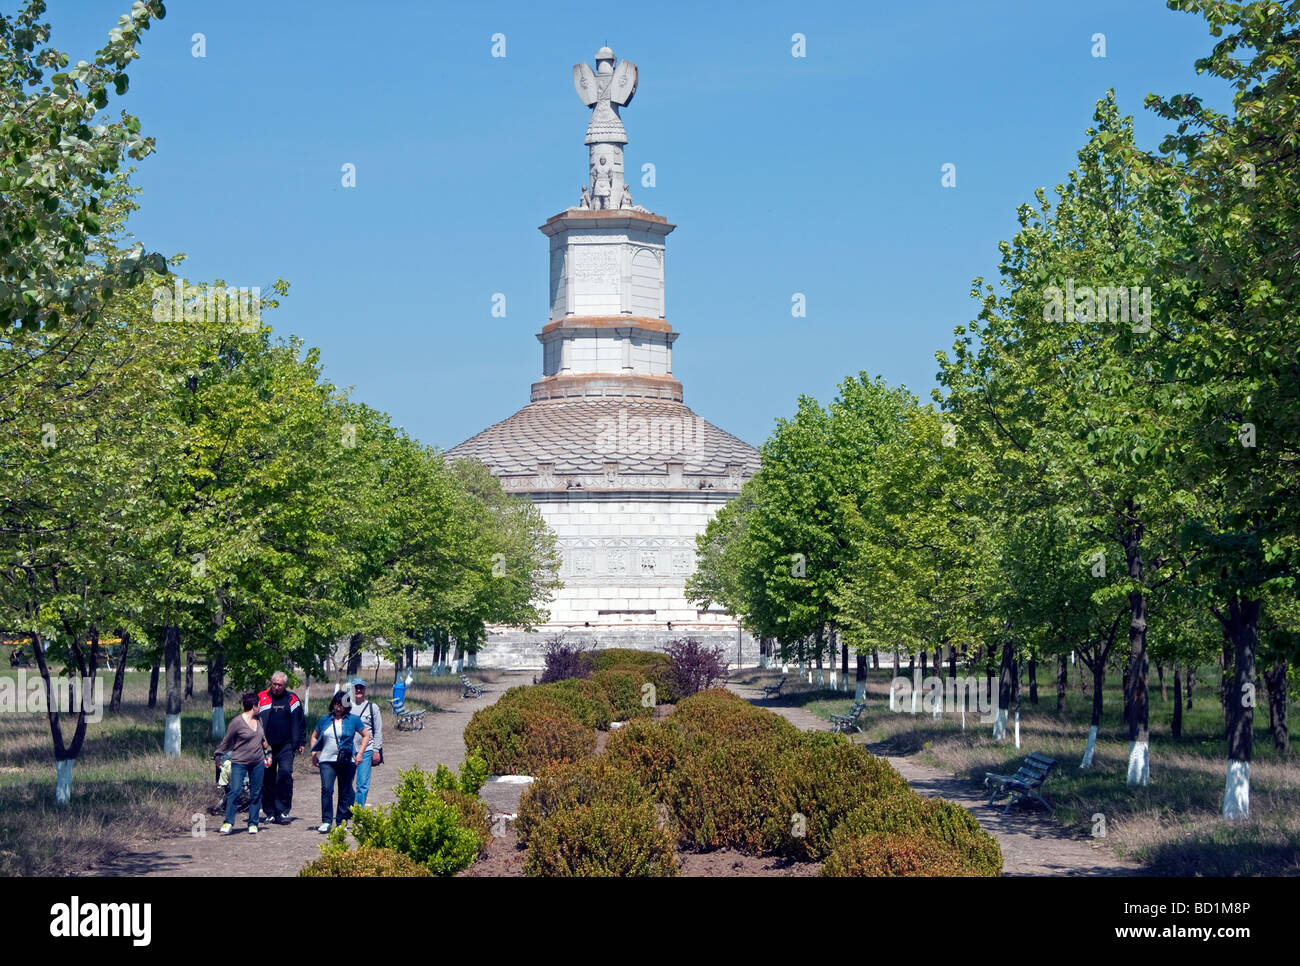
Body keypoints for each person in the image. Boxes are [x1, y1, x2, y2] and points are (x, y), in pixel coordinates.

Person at [310, 690, 370, 833]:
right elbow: (314, 736)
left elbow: (366, 735)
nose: (338, 708)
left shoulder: (353, 719)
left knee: (344, 791)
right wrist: (313, 753)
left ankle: (341, 821)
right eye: (336, 704)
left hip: (346, 760)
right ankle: (326, 820)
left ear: (346, 706)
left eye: (341, 705)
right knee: (327, 789)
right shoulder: (325, 719)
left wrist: (360, 753)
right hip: (326, 760)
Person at [213, 691, 269, 835]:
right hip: (239, 762)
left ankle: (253, 823)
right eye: (259, 705)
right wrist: (218, 755)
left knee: (256, 792)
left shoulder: (259, 720)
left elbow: (263, 740)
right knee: (235, 791)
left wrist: (268, 753)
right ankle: (228, 822)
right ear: (254, 706)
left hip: (257, 762)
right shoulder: (237, 722)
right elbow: (226, 741)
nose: (260, 708)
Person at [257, 671, 305, 825]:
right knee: (267, 778)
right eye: (274, 684)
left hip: (286, 745)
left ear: (285, 685)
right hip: (266, 746)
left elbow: (300, 722)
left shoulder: (292, 699)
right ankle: (270, 812)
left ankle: (283, 811)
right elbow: (252, 719)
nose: (276, 687)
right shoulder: (261, 697)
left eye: (280, 685)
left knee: (284, 775)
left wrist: (301, 742)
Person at [348, 678, 383, 809]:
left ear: (365, 690)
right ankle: (351, 805)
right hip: (349, 751)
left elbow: (378, 730)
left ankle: (358, 810)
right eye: (356, 688)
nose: (358, 690)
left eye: (361, 688)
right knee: (346, 782)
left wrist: (376, 749)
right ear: (352, 689)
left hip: (367, 750)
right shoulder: (347, 707)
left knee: (362, 783)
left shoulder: (372, 708)